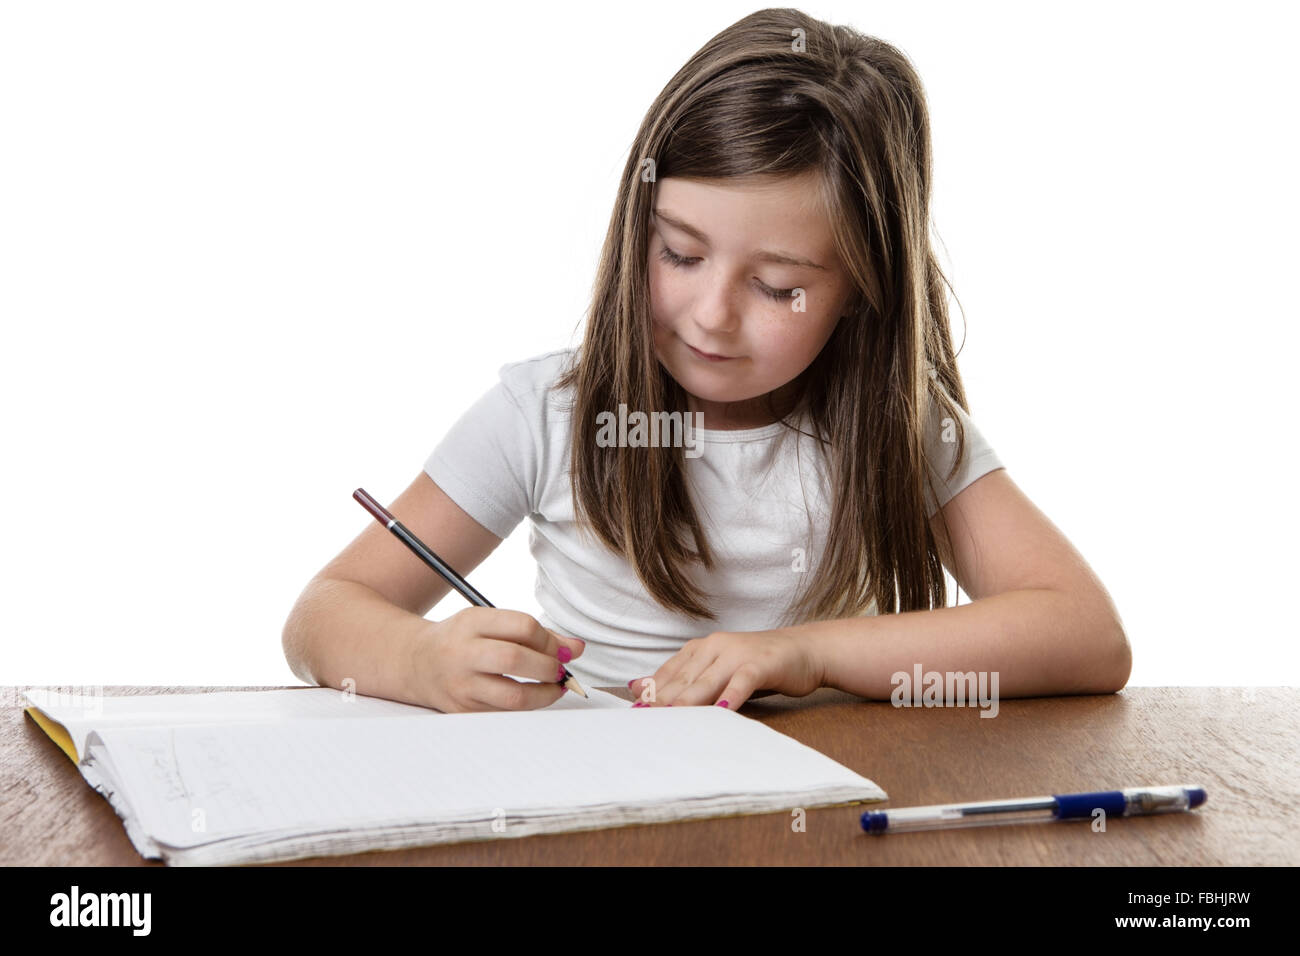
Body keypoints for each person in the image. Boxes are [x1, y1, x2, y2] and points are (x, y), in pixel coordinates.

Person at [282, 8, 1131, 713]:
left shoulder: (895, 427)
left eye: (774, 285)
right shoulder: (545, 414)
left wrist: (802, 653)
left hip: (825, 811)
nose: (711, 315)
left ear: (862, 293)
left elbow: (1085, 634)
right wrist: (422, 659)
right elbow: (322, 617)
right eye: (681, 256)